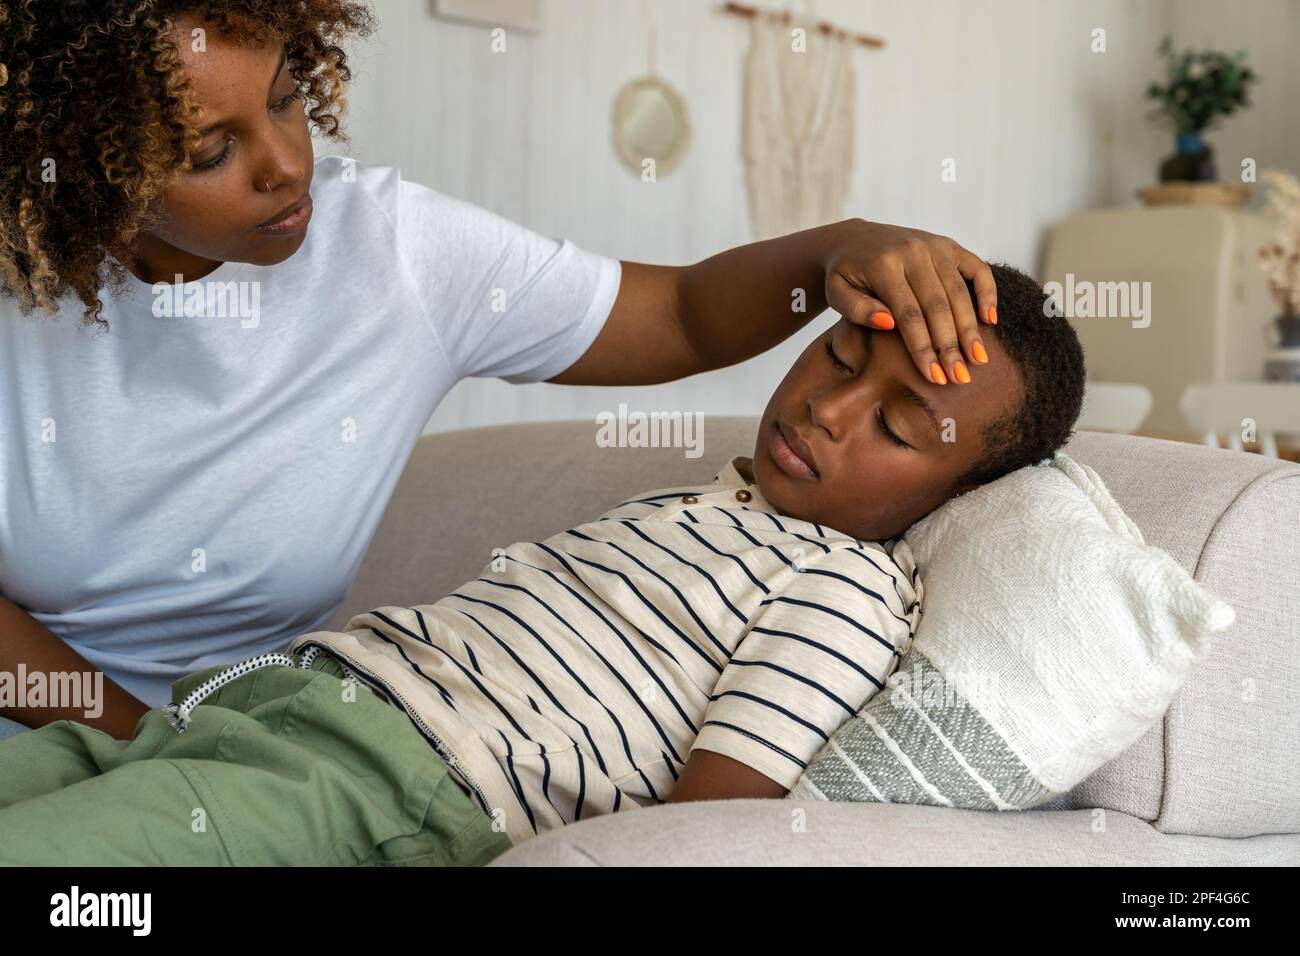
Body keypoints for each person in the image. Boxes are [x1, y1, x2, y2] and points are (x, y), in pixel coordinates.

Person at [0, 1, 997, 740]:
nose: (287, 165)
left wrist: (834, 249)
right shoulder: (17, 289)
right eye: (213, 149)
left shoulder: (397, 253)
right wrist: (138, 747)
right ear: (92, 163)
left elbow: (682, 314)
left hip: (245, 766)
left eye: (287, 99)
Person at [0, 264, 1086, 864]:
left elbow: (708, 826)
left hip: (389, 786)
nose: (830, 405)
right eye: (840, 355)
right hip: (249, 712)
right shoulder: (707, 503)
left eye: (898, 426)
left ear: (957, 495)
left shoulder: (844, 590)